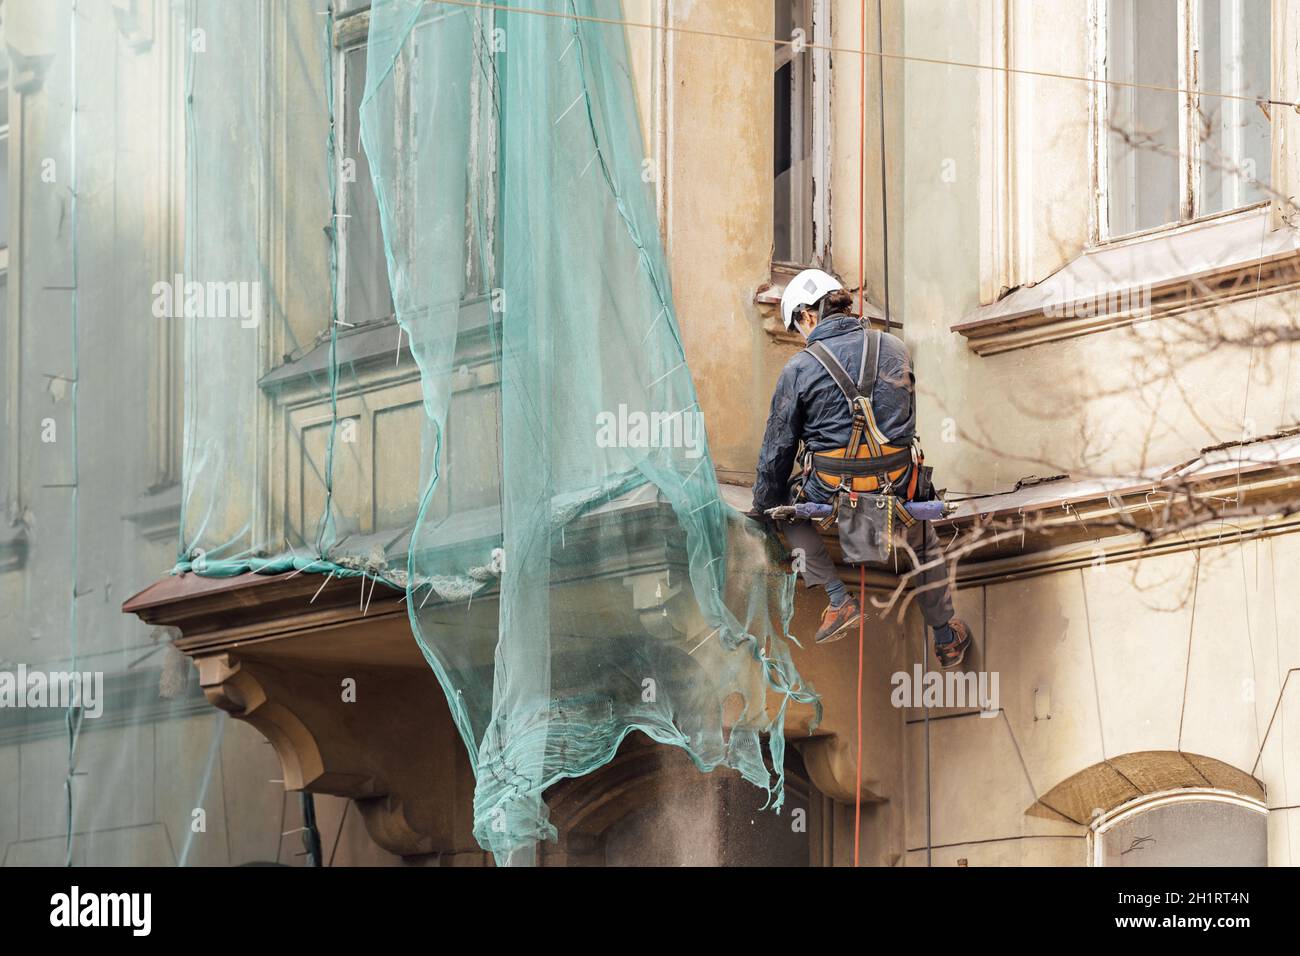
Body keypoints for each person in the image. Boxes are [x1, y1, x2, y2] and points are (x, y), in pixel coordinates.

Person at [750, 268, 973, 668]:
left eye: (798, 325)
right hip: (895, 484)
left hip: (832, 488)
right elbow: (906, 424)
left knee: (781, 504)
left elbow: (776, 453)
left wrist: (764, 507)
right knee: (921, 538)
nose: (801, 336)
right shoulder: (895, 348)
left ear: (808, 315)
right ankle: (945, 636)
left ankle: (839, 600)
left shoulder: (799, 369)